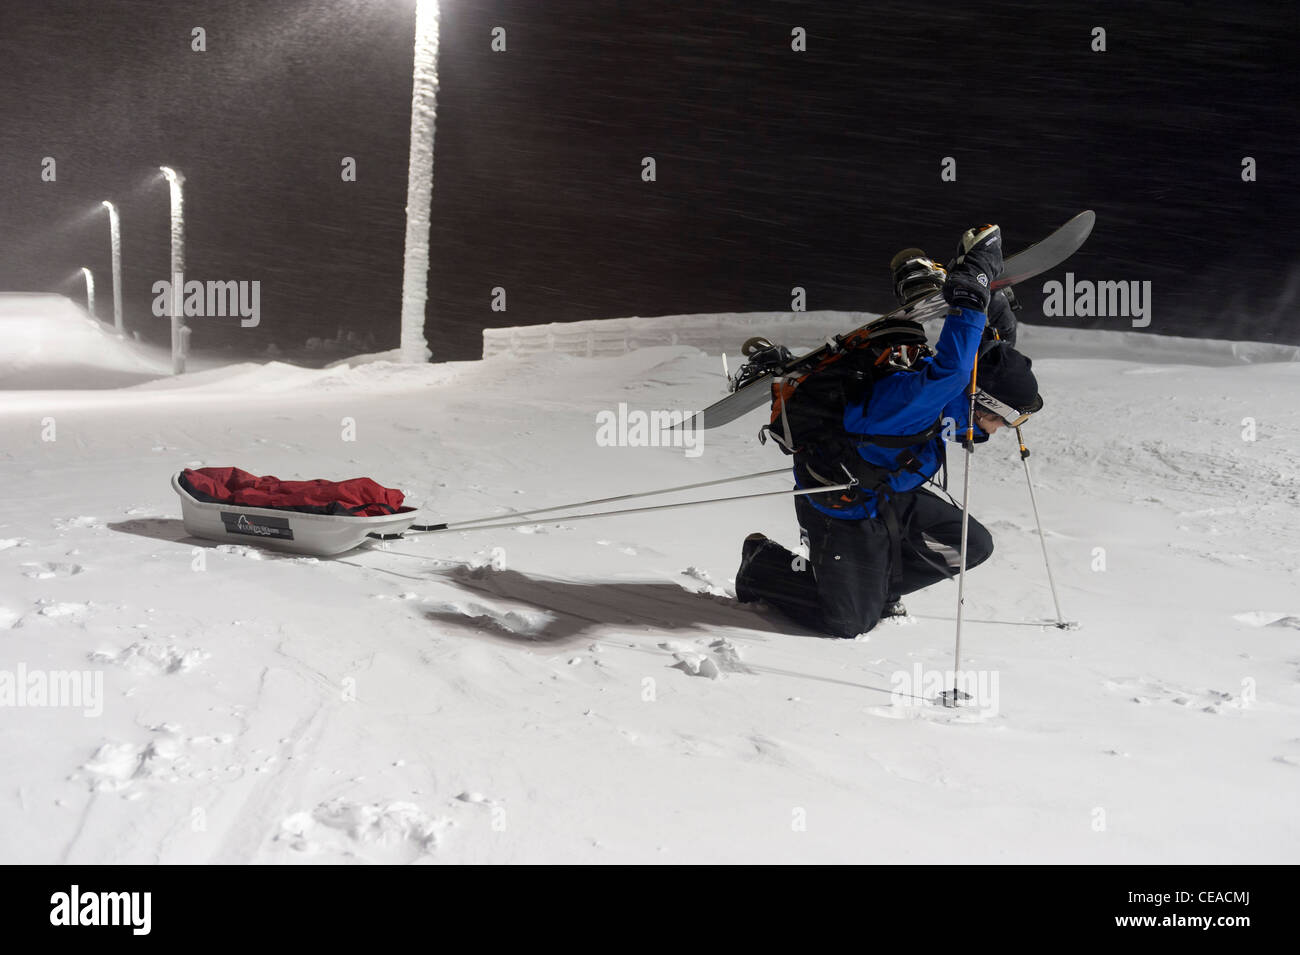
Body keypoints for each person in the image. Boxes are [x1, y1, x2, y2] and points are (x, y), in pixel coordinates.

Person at [734, 224, 1044, 638]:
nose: (1005, 429)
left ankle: (870, 588)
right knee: (846, 623)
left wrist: (997, 312)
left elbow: (988, 360)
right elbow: (954, 369)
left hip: (887, 495)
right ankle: (761, 565)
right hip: (843, 509)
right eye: (1006, 419)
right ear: (979, 399)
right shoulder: (910, 402)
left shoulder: (953, 402)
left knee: (970, 544)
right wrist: (973, 286)